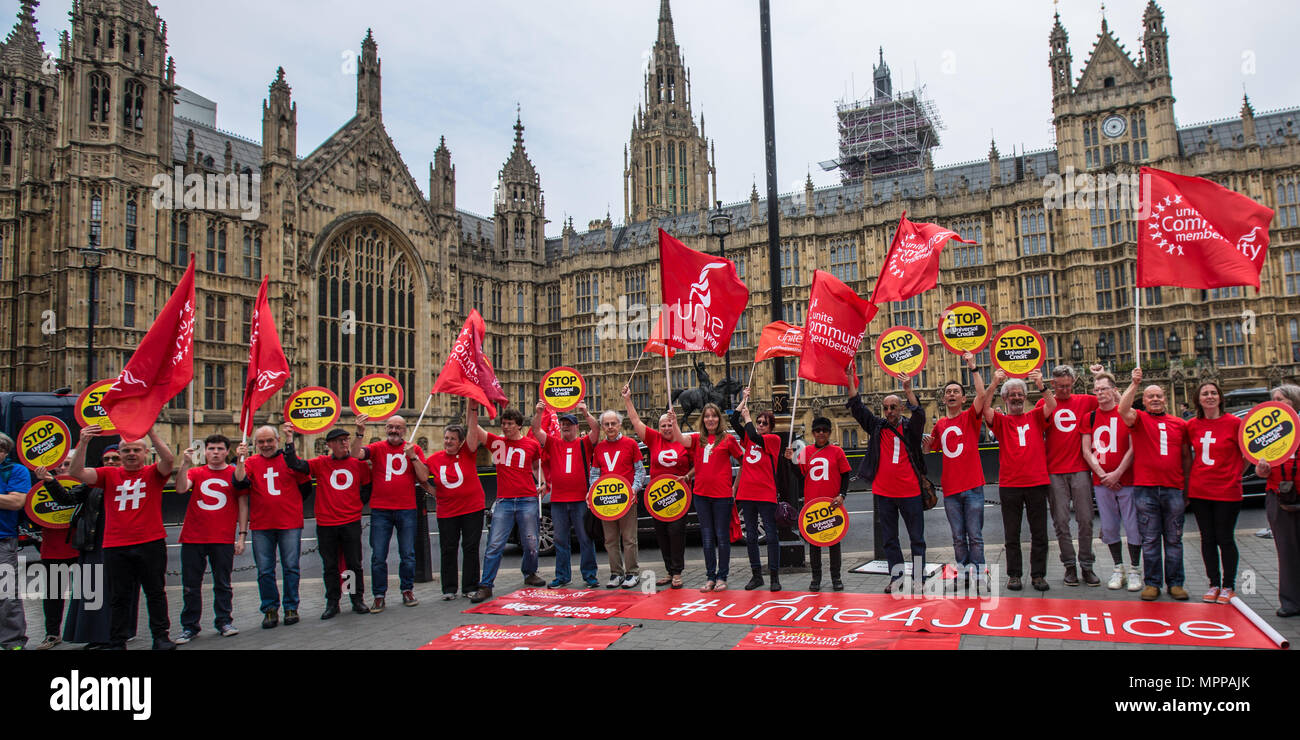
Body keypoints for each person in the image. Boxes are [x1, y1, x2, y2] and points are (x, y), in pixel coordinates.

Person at [68, 423, 178, 650]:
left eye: (137, 450)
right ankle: (117, 640)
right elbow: (76, 472)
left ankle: (161, 637)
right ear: (119, 454)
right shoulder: (108, 474)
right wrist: (84, 442)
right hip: (116, 544)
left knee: (155, 592)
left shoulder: (152, 474)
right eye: (126, 450)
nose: (131, 454)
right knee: (119, 597)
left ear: (145, 453)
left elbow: (168, 460)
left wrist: (150, 432)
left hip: (151, 541)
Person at [847, 372, 926, 594]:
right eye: (886, 408)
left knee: (917, 540)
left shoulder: (910, 428)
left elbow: (919, 414)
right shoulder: (877, 427)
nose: (889, 411)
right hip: (884, 494)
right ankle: (897, 579)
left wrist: (908, 390)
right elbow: (858, 409)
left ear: (901, 408)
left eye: (893, 407)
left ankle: (919, 579)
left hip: (910, 492)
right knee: (890, 540)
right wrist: (850, 382)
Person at [1117, 367, 1190, 601]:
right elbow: (1122, 409)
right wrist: (1135, 384)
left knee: (1173, 539)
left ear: (1165, 399)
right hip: (1146, 488)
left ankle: (1176, 583)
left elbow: (1187, 457)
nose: (1155, 399)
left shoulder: (1180, 424)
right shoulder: (1139, 419)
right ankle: (1152, 583)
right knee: (1149, 539)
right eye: (1151, 397)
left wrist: (1186, 486)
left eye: (1159, 396)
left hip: (1173, 488)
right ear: (1145, 401)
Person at [980, 369, 1055, 592]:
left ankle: (1038, 575)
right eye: (1011, 394)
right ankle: (1014, 575)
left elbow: (1052, 406)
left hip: (1036, 482)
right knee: (1011, 534)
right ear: (1005, 399)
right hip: (1010, 484)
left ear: (1025, 397)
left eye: (1019, 394)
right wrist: (994, 382)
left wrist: (1040, 384)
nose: (1016, 397)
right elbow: (984, 409)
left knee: (1039, 533)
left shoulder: (1036, 416)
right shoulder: (1001, 421)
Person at [284, 426, 371, 618]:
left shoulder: (359, 464)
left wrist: (356, 505)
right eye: (339, 441)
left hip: (350, 521)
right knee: (330, 565)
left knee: (353, 564)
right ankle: (333, 602)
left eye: (346, 440)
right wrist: (289, 440)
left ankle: (356, 599)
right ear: (330, 445)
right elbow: (296, 465)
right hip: (326, 523)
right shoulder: (321, 463)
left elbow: (367, 488)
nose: (344, 443)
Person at [233, 424, 312, 628]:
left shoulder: (289, 460)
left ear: (277, 441)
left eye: (269, 441)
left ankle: (290, 607)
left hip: (289, 523)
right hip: (262, 524)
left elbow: (305, 488)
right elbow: (240, 482)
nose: (266, 445)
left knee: (291, 567)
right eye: (261, 442)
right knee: (265, 570)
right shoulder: (250, 462)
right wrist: (240, 459)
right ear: (255, 444)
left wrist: (289, 505)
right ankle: (269, 609)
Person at [58, 445, 137, 648]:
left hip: (119, 543)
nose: (110, 462)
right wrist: (50, 482)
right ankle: (95, 635)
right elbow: (67, 498)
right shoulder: (91, 485)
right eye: (106, 459)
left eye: (114, 459)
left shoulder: (131, 483)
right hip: (93, 543)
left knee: (114, 592)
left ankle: (112, 635)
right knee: (91, 592)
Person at [173, 434, 248, 643]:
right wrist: (184, 464)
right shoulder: (196, 472)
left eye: (220, 449)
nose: (215, 452)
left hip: (222, 537)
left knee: (223, 583)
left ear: (227, 451)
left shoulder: (235, 473)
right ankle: (190, 626)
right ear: (205, 451)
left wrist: (241, 536)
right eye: (211, 448)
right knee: (190, 585)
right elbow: (180, 488)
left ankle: (224, 621)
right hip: (193, 537)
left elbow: (243, 505)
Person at [468, 403, 545, 603]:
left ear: (518, 425)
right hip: (504, 500)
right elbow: (474, 427)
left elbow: (537, 466)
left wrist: (543, 482)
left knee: (531, 543)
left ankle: (530, 573)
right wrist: (472, 407)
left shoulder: (532, 445)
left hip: (527, 498)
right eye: (503, 423)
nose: (505, 427)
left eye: (509, 424)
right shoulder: (495, 442)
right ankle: (486, 585)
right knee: (494, 544)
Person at [350, 414, 427, 611]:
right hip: (381, 509)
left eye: (398, 427)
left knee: (408, 554)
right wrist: (359, 432)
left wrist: (413, 456)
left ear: (405, 430)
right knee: (378, 555)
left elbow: (424, 476)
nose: (394, 431)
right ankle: (378, 594)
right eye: (390, 427)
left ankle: (407, 590)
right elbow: (355, 455)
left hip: (406, 509)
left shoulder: (414, 449)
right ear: (385, 428)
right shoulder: (377, 448)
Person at [926, 351, 989, 590]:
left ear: (963, 398)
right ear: (943, 399)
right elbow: (929, 449)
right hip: (951, 490)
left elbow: (982, 395)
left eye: (955, 392)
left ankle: (980, 574)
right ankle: (963, 573)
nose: (951, 395)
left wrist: (973, 367)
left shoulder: (970, 418)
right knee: (957, 538)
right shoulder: (940, 424)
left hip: (973, 486)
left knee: (975, 536)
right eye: (947, 392)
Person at [623, 384, 693, 589]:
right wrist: (628, 399)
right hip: (657, 497)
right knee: (661, 535)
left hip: (678, 496)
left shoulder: (684, 441)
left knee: (676, 532)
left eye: (670, 425)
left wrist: (687, 477)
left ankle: (678, 572)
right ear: (659, 427)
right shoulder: (654, 440)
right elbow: (635, 421)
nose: (666, 428)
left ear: (675, 425)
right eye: (663, 425)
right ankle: (670, 571)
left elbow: (697, 464)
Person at [1036, 365, 1100, 586]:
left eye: (1067, 385)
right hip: (1054, 472)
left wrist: (1099, 376)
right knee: (1061, 522)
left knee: (1085, 520)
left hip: (1080, 469)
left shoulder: (1086, 401)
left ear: (1073, 382)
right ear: (1052, 384)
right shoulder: (1042, 403)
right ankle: (1069, 566)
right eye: (1060, 386)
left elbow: (1116, 404)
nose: (1064, 390)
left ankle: (1087, 565)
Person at [1081, 372, 1142, 592]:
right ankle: (1118, 568)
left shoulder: (1126, 414)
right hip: (1102, 482)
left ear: (1114, 390)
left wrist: (1117, 473)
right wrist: (1103, 475)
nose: (1100, 394)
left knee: (1133, 527)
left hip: (1127, 479)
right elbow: (1087, 451)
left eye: (1104, 389)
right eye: (1096, 390)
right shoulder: (1089, 417)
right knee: (1109, 528)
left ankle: (1135, 570)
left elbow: (1134, 447)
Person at [1185, 382, 1245, 605]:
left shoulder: (1235, 423)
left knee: (1225, 538)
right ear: (1198, 400)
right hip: (1201, 490)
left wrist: (1237, 473)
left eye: (1213, 393)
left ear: (1220, 398)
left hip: (1228, 490)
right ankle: (1213, 584)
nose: (1209, 397)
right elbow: (1186, 456)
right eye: (1205, 394)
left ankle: (1229, 585)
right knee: (1207, 539)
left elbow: (1247, 453)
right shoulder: (1192, 425)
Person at [672, 402, 741, 592]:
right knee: (708, 538)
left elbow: (744, 462)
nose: (711, 419)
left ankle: (722, 576)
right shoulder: (698, 439)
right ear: (703, 419)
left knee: (722, 537)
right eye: (707, 416)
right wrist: (674, 421)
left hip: (722, 496)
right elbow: (679, 439)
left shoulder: (728, 439)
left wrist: (735, 487)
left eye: (714, 416)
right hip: (701, 495)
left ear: (719, 418)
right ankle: (710, 577)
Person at [531, 401, 600, 590]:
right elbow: (536, 430)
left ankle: (589, 575)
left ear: (576, 427)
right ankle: (562, 576)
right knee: (561, 540)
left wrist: (586, 412)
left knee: (585, 539)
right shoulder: (553, 443)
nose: (565, 427)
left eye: (569, 424)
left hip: (580, 500)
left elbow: (596, 429)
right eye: (563, 425)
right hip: (558, 500)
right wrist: (539, 412)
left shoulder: (584, 443)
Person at [426, 416, 490, 599]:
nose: (448, 441)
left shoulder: (468, 453)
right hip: (447, 510)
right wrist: (431, 489)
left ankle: (470, 586)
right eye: (446, 438)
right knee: (448, 548)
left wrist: (473, 408)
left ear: (460, 442)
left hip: (472, 508)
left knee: (470, 547)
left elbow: (472, 430)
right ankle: (449, 589)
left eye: (452, 438)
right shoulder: (434, 459)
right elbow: (421, 476)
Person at [785, 416, 850, 591]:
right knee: (814, 544)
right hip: (813, 505)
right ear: (813, 433)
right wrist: (791, 462)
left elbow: (845, 475)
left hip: (832, 504)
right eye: (817, 430)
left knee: (834, 543)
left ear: (829, 432)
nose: (821, 433)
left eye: (824, 430)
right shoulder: (806, 452)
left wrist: (842, 495)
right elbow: (800, 476)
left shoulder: (837, 452)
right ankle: (816, 579)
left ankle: (836, 578)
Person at [730, 388, 784, 591]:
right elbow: (734, 421)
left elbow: (753, 434)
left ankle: (774, 576)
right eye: (759, 422)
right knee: (751, 536)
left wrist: (749, 417)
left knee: (771, 536)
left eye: (764, 423)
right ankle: (756, 575)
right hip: (747, 493)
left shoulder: (773, 440)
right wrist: (743, 400)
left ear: (770, 427)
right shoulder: (749, 440)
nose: (760, 425)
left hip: (766, 494)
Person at [588, 409, 647, 589]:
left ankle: (632, 573)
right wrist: (592, 492)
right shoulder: (599, 448)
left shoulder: (631, 444)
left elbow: (640, 471)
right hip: (606, 501)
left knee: (629, 539)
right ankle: (616, 573)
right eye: (606, 424)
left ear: (620, 424)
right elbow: (594, 475)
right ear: (603, 427)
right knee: (610, 540)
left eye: (613, 423)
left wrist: (633, 490)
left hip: (626, 500)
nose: (610, 427)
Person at [1256, 384, 1300, 617]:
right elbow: (1261, 467)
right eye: (1273, 398)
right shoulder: (1270, 431)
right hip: (1278, 493)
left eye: (1280, 399)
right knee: (1286, 550)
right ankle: (1290, 601)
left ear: (1294, 402)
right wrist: (1261, 469)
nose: (1276, 402)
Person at [30, 460, 80, 650]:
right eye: (59, 465)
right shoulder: (41, 487)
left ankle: (90, 633)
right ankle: (52, 634)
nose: (62, 468)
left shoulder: (82, 487)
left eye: (67, 463)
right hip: (53, 549)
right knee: (53, 596)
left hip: (80, 547)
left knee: (90, 593)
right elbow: (32, 514)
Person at [0, 432, 33, 649]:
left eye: (1, 449)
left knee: (5, 594)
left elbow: (16, 501)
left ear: (5, 452)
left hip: (2, 540)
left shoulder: (16, 471)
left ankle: (13, 642)